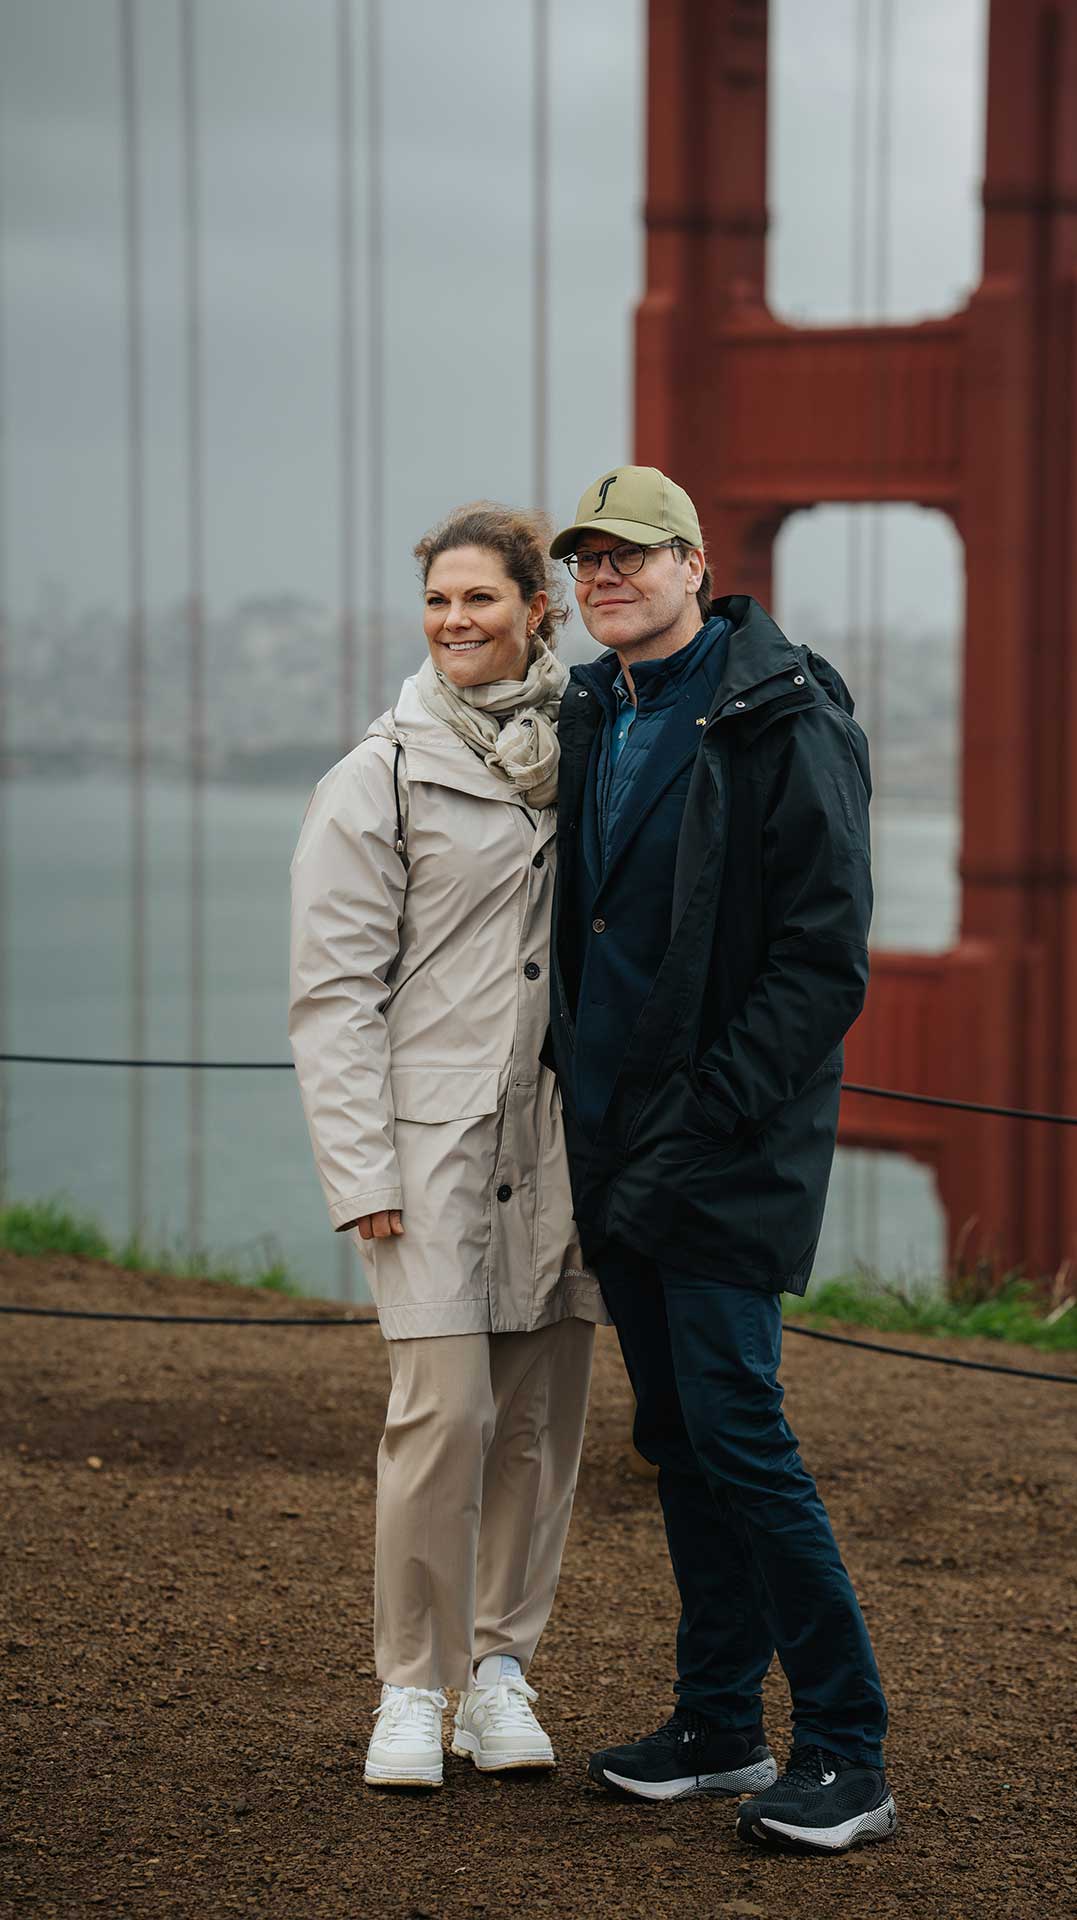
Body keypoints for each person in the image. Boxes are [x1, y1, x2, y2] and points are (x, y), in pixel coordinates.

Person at [544, 466, 895, 1855]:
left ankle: (849, 1751)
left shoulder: (784, 716)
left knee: (743, 1437)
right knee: (680, 1440)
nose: (605, 578)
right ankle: (717, 1728)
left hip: (726, 1145)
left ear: (697, 565)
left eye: (632, 555)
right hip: (615, 1139)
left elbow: (823, 961)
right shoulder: (598, 709)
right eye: (587, 561)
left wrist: (708, 1112)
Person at [289, 502, 605, 1792]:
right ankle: (412, 1687)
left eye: (481, 598)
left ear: (540, 608)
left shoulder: (594, 745)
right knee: (445, 1412)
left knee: (538, 1422)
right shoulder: (382, 774)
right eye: (437, 600)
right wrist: (358, 1167)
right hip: (427, 1146)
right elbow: (332, 993)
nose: (456, 621)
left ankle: (500, 1670)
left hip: (560, 1139)